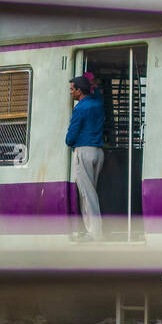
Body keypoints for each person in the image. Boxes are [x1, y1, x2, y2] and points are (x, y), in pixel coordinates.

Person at [65, 75, 105, 240]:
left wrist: (68, 140)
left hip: (83, 151)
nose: (71, 92)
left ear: (79, 91)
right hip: (98, 151)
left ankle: (94, 233)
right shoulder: (98, 104)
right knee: (91, 192)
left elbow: (70, 137)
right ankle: (92, 231)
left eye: (72, 89)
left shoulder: (80, 108)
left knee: (87, 194)